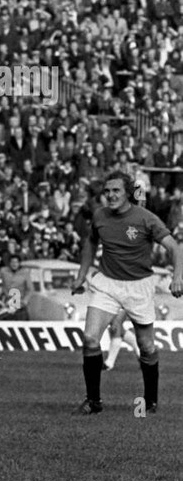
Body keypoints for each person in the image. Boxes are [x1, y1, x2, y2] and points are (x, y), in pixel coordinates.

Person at [72, 171, 183, 414]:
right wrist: (82, 274)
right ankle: (94, 401)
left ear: (128, 193)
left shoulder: (146, 219)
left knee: (146, 346)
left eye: (116, 190)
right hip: (107, 283)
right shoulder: (100, 216)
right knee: (90, 338)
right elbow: (90, 242)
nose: (110, 195)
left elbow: (174, 247)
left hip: (139, 285)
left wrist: (177, 276)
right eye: (107, 191)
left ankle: (150, 401)